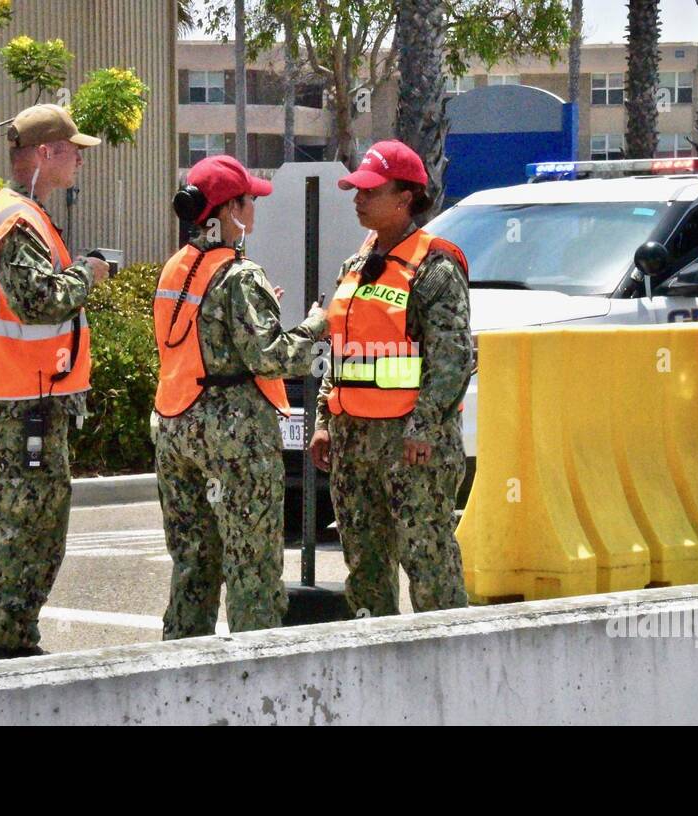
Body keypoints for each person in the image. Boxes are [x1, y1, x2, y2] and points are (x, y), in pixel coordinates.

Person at [155, 155, 327, 639]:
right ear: (230, 210)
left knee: (193, 559)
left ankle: (180, 663)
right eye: (249, 200)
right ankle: (256, 670)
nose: (254, 207)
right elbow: (271, 357)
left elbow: (199, 336)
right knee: (252, 561)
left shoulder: (176, 266)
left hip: (175, 426)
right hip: (234, 434)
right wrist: (317, 323)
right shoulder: (239, 274)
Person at [0, 103, 110, 660]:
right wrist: (88, 273)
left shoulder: (19, 215)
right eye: (74, 151)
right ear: (45, 153)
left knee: (28, 518)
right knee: (30, 523)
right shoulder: (16, 220)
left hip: (23, 396)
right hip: (21, 400)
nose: (79, 162)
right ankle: (12, 643)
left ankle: (14, 637)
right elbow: (40, 301)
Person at [309, 140, 474, 617]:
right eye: (356, 191)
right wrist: (323, 418)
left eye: (369, 191)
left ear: (405, 197)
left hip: (410, 445)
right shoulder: (355, 266)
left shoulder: (435, 267)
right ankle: (374, 660)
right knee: (364, 564)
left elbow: (452, 357)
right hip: (353, 439)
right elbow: (339, 351)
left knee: (427, 559)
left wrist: (423, 428)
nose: (358, 200)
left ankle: (446, 658)